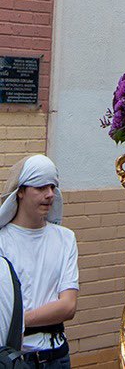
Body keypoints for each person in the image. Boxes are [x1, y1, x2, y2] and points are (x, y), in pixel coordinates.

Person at [0, 155, 78, 367]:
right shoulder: (2, 242)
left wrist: (17, 322)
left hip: (57, 356)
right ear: (21, 192)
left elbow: (68, 306)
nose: (50, 194)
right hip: (15, 359)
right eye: (41, 187)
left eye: (53, 187)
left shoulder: (65, 238)